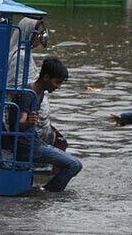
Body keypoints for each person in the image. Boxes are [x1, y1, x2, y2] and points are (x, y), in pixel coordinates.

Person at [9, 56, 82, 192]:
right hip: (27, 147)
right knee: (74, 165)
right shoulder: (27, 95)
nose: (58, 87)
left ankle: (44, 190)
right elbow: (19, 126)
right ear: (46, 77)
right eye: (57, 83)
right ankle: (47, 192)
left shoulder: (39, 92)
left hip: (35, 142)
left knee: (74, 163)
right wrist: (29, 122)